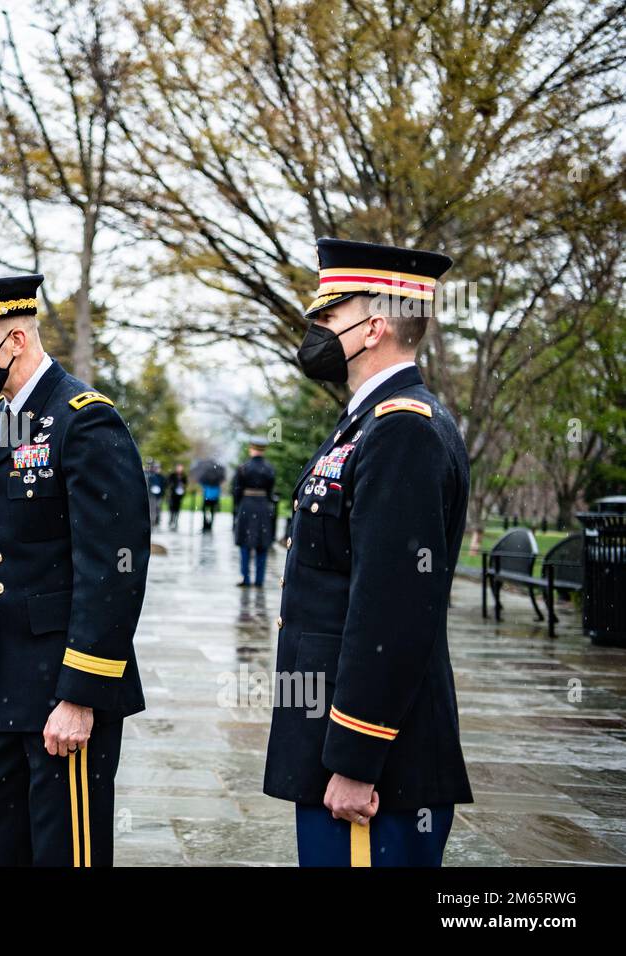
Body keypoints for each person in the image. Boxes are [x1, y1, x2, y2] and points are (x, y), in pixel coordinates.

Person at [0, 273, 149, 867]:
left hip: (66, 691)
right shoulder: (2, 421)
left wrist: (81, 695)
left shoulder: (85, 419)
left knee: (64, 852)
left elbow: (114, 572)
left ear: (17, 340)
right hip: (10, 684)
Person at [263, 237, 472, 867]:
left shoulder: (402, 429)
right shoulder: (369, 422)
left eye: (327, 317)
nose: (317, 332)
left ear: (373, 325)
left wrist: (355, 757)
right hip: (340, 748)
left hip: (375, 767)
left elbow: (392, 610)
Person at [232, 438, 275, 587]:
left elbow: (236, 490)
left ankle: (245, 577)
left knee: (245, 543)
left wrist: (238, 505)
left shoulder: (243, 468)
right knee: (261, 544)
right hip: (263, 506)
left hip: (247, 506)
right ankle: (259, 579)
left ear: (251, 449)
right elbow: (270, 492)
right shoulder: (269, 468)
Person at [197, 460, 223, 532]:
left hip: (207, 497)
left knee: (205, 511)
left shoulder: (205, 479)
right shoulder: (217, 480)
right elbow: (218, 490)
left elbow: (203, 487)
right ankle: (210, 525)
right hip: (213, 498)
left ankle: (205, 524)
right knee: (211, 511)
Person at [167, 463, 188, 530]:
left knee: (177, 508)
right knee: (172, 508)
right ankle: (171, 520)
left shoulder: (183, 476)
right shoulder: (173, 475)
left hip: (180, 495)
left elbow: (185, 484)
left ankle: (176, 520)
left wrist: (182, 486)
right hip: (173, 494)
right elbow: (169, 483)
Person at [145, 460, 166, 528]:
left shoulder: (161, 476)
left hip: (159, 495)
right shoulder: (150, 475)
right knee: (152, 508)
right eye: (155, 467)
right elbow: (149, 484)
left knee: (158, 508)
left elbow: (164, 485)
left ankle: (157, 521)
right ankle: (152, 521)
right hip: (152, 495)